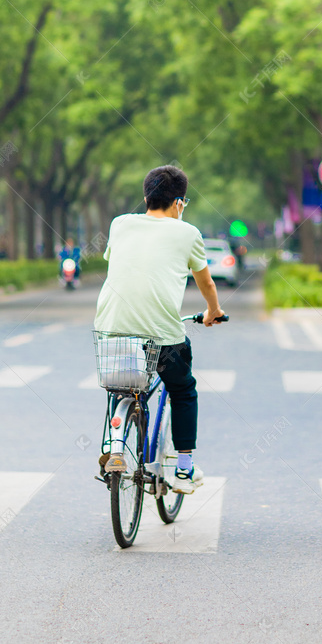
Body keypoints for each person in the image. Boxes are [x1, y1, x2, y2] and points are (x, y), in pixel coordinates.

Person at [94, 165, 224, 494]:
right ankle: (183, 469)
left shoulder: (120, 224)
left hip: (112, 328)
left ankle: (115, 446)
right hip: (162, 335)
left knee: (120, 385)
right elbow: (205, 281)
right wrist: (213, 311)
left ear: (146, 196)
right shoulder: (188, 233)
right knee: (183, 390)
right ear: (179, 202)